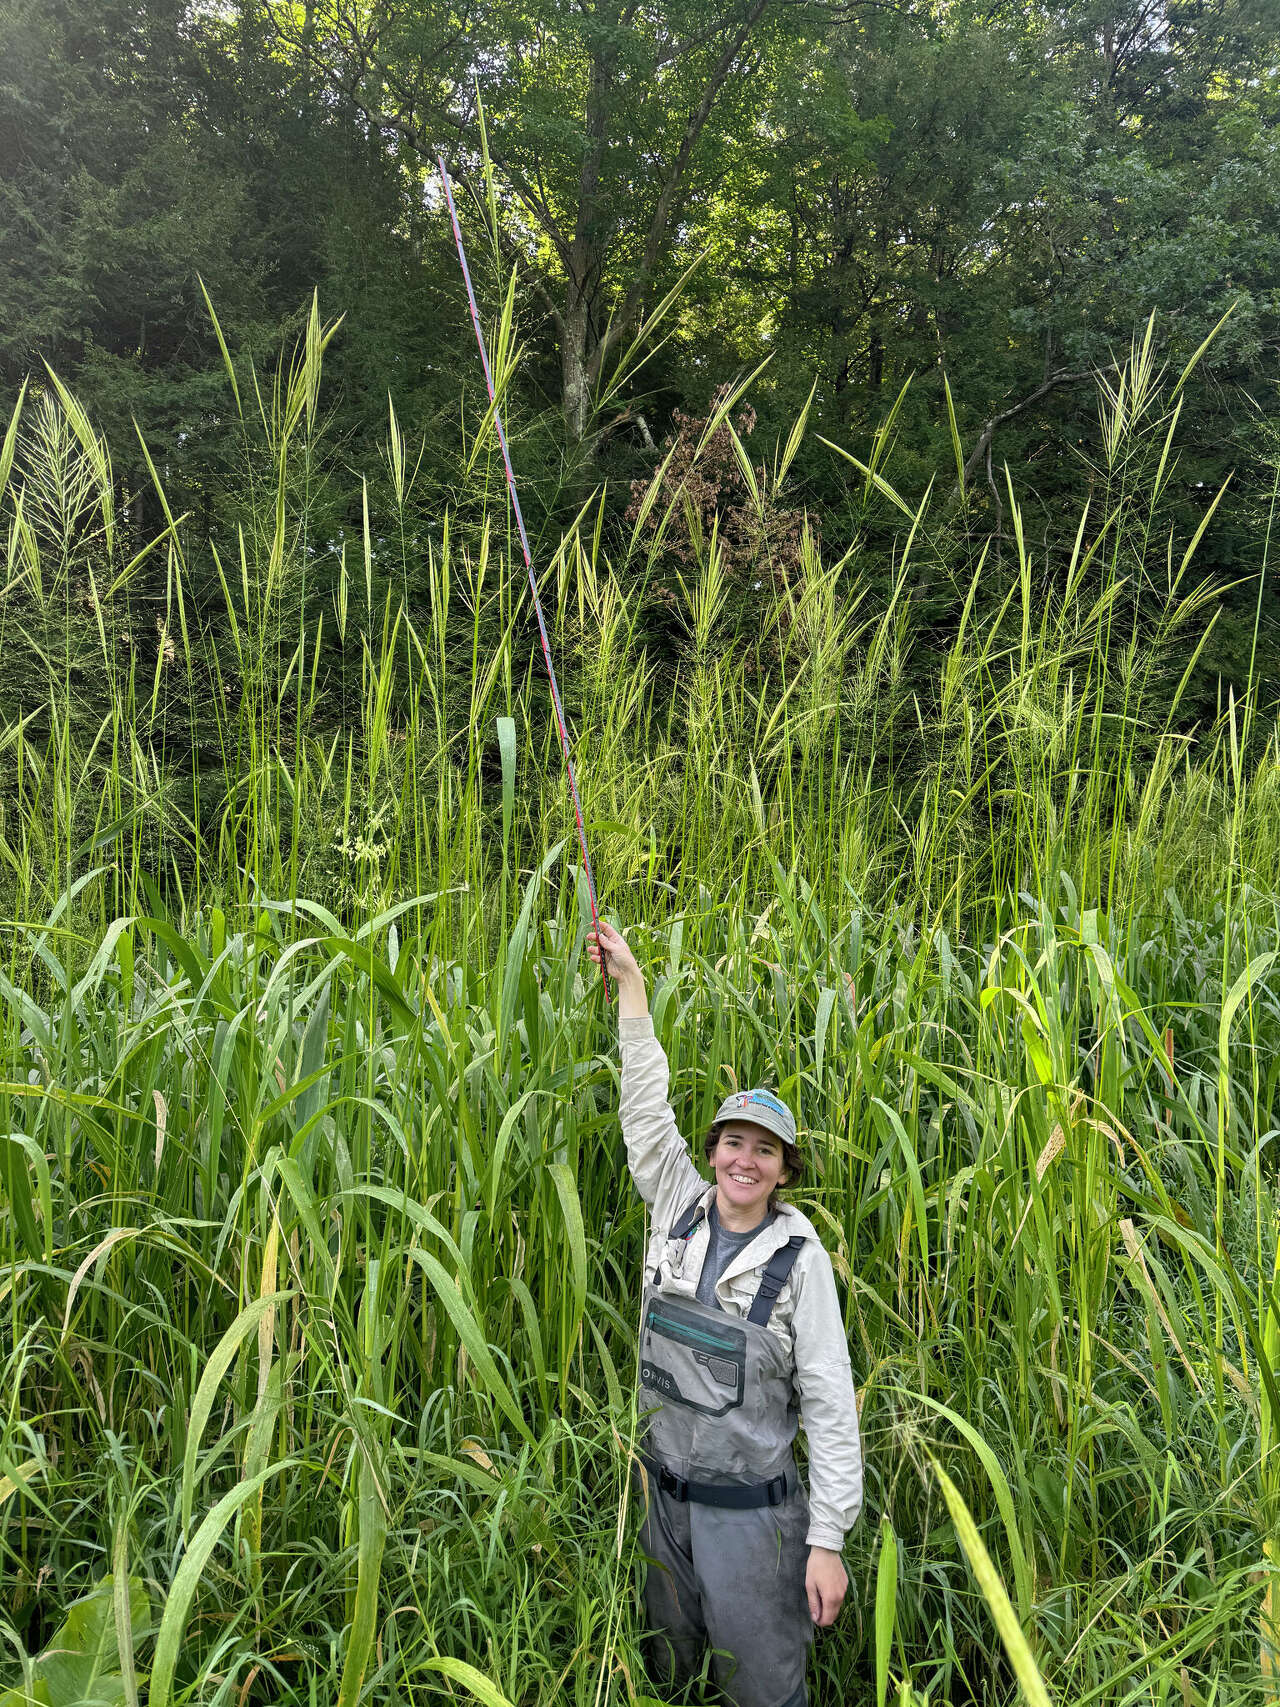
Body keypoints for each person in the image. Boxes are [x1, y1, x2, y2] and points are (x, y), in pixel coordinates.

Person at [587, 920, 864, 1707]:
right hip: (660, 1507)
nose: (745, 1159)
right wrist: (632, 986)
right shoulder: (676, 1204)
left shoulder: (800, 1261)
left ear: (784, 1170)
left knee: (761, 1696)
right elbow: (645, 1110)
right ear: (712, 1150)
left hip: (752, 1526)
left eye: (764, 1150)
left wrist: (828, 1541)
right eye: (732, 1141)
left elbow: (832, 1403)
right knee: (670, 1685)